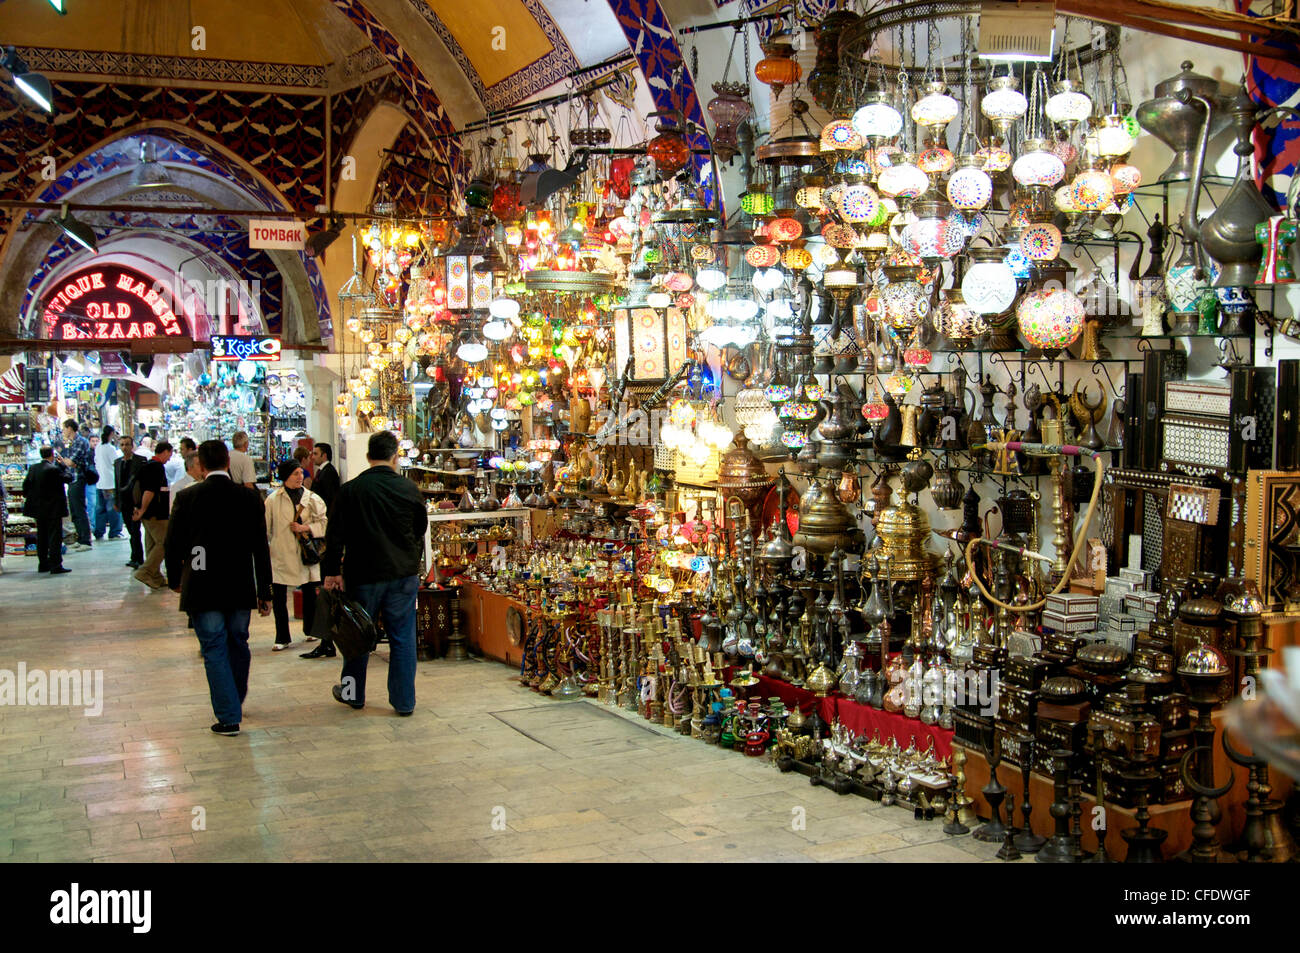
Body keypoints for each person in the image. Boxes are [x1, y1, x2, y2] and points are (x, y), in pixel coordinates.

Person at [165, 440, 273, 735]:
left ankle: (228, 715)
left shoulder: (187, 498)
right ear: (228, 462)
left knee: (214, 646)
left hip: (202, 585)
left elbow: (173, 544)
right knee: (238, 641)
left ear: (200, 465)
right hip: (239, 584)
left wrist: (175, 579)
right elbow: (260, 549)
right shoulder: (250, 498)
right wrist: (265, 591)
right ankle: (234, 700)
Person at [321, 431, 427, 715]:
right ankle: (404, 702)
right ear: (395, 456)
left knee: (356, 634)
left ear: (368, 457)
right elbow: (420, 529)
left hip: (363, 573)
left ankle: (353, 694)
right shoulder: (408, 489)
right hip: (402, 574)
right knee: (402, 638)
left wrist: (332, 571)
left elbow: (335, 536)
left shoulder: (352, 490)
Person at [266, 460, 329, 654]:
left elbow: (325, 524)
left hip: (306, 554)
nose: (299, 477)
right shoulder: (273, 500)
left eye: (300, 473)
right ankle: (282, 636)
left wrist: (306, 528)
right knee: (279, 597)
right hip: (281, 555)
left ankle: (311, 630)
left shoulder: (312, 499)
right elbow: (267, 528)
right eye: (295, 473)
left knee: (310, 594)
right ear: (285, 476)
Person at [22, 446, 73, 574]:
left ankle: (43, 563)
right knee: (54, 536)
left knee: (42, 536)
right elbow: (68, 478)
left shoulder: (33, 468)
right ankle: (56, 564)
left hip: (38, 509)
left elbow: (25, 486)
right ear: (52, 455)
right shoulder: (54, 469)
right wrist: (63, 466)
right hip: (53, 509)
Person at [131, 440, 173, 589]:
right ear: (166, 451)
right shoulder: (156, 468)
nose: (169, 458)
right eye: (170, 454)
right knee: (164, 542)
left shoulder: (147, 466)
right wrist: (143, 508)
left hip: (148, 513)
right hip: (155, 513)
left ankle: (155, 576)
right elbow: (150, 491)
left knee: (152, 543)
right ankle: (146, 571)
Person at [55, 418, 94, 551]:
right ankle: (80, 537)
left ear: (70, 428)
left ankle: (86, 540)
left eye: (64, 428)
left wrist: (65, 461)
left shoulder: (79, 442)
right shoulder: (73, 443)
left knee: (79, 509)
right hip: (72, 479)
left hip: (78, 479)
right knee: (74, 510)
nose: (63, 431)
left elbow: (71, 462)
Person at [114, 435, 147, 569]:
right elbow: (117, 483)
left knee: (135, 530)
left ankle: (137, 557)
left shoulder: (140, 461)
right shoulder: (117, 463)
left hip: (136, 500)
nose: (125, 447)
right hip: (124, 501)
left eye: (127, 444)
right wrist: (116, 501)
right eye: (122, 444)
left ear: (132, 445)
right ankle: (136, 556)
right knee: (131, 530)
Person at [93, 426, 124, 541]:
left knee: (100, 509)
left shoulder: (98, 447)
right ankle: (115, 532)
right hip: (110, 482)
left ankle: (99, 532)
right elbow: (116, 463)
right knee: (113, 508)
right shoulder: (110, 449)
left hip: (100, 482)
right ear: (111, 434)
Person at [308, 442, 339, 513]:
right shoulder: (322, 470)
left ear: (324, 456)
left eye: (315, 454)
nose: (312, 457)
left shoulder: (329, 472)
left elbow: (329, 497)